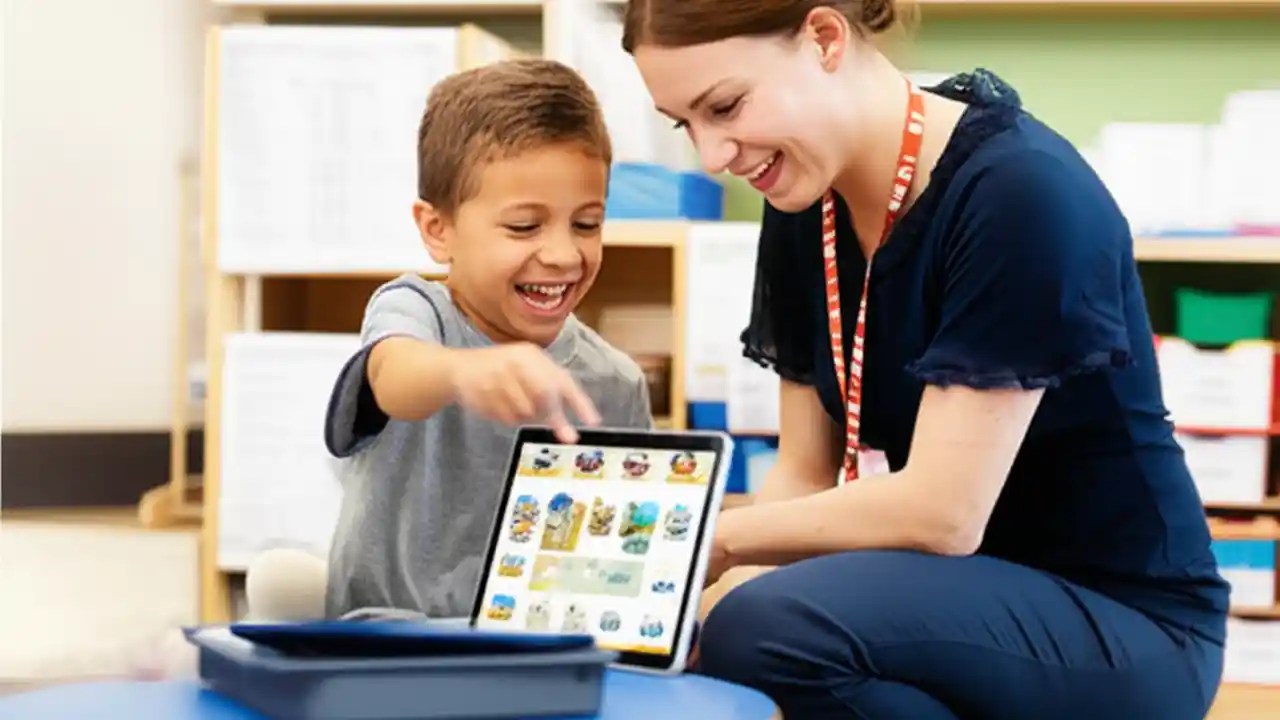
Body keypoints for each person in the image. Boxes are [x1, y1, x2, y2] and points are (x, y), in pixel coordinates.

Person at [622, 1, 1229, 718]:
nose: (712, 155)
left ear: (824, 38)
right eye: (684, 124)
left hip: (1123, 624)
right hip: (956, 607)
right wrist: (686, 616)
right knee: (715, 646)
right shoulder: (804, 201)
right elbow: (802, 470)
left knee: (767, 628)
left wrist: (712, 542)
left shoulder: (1019, 190)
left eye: (724, 106)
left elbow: (944, 511)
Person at [322, 58, 654, 620]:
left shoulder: (615, 382)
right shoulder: (416, 312)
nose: (563, 255)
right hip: (387, 646)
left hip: (536, 650)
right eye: (524, 226)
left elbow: (619, 550)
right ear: (438, 229)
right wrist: (463, 373)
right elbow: (393, 376)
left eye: (587, 223)